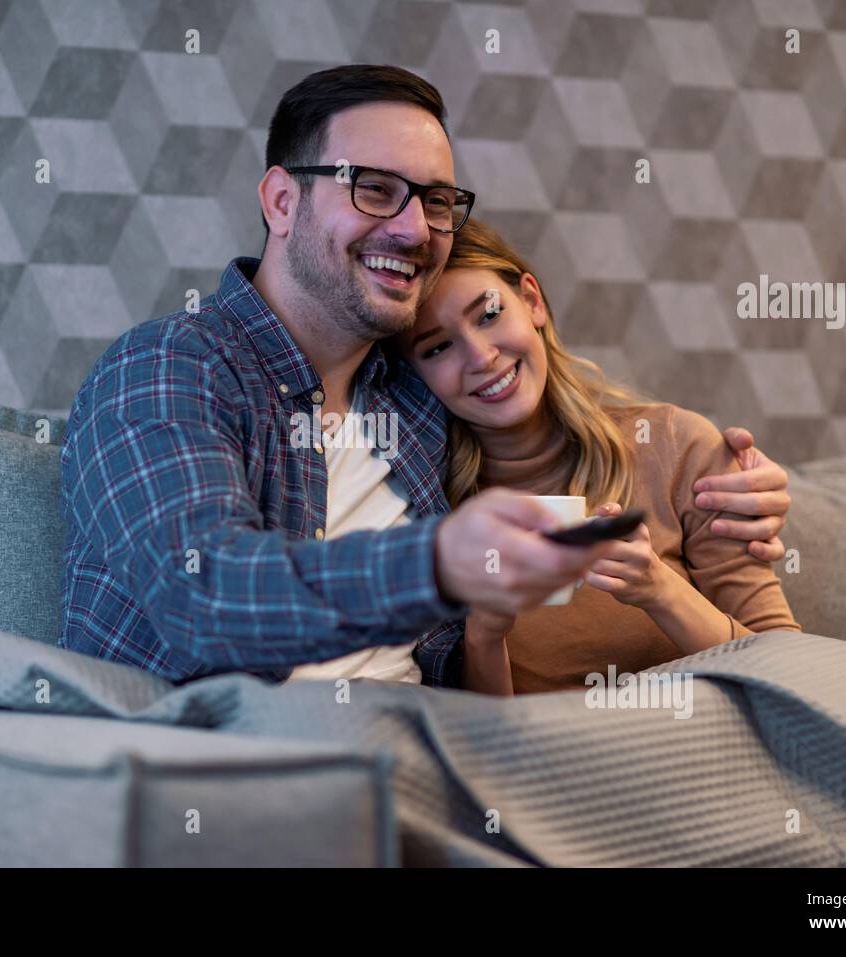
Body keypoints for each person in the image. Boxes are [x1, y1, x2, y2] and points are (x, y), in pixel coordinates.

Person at [58, 64, 792, 690]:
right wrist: (440, 563)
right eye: (373, 188)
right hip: (227, 764)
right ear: (282, 201)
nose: (414, 229)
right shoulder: (169, 369)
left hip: (431, 765)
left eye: (434, 199)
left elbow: (552, 433)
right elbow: (203, 597)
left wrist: (737, 487)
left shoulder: (415, 405)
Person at [392, 218, 801, 694]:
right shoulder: (425, 510)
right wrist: (484, 635)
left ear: (531, 301)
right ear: (413, 374)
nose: (481, 356)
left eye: (489, 315)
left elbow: (789, 670)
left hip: (699, 750)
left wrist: (659, 590)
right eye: (438, 347)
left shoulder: (675, 445)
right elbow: (483, 741)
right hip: (553, 763)